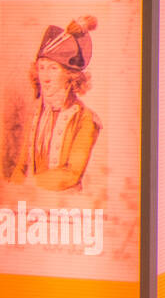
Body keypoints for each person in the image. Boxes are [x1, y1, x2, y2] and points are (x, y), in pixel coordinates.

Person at [9, 17, 102, 192]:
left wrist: (29, 186)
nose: (45, 76)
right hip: (29, 204)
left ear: (69, 75)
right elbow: (22, 166)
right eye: (41, 67)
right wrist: (14, 189)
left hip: (67, 207)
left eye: (53, 68)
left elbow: (72, 174)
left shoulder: (85, 119)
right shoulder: (36, 113)